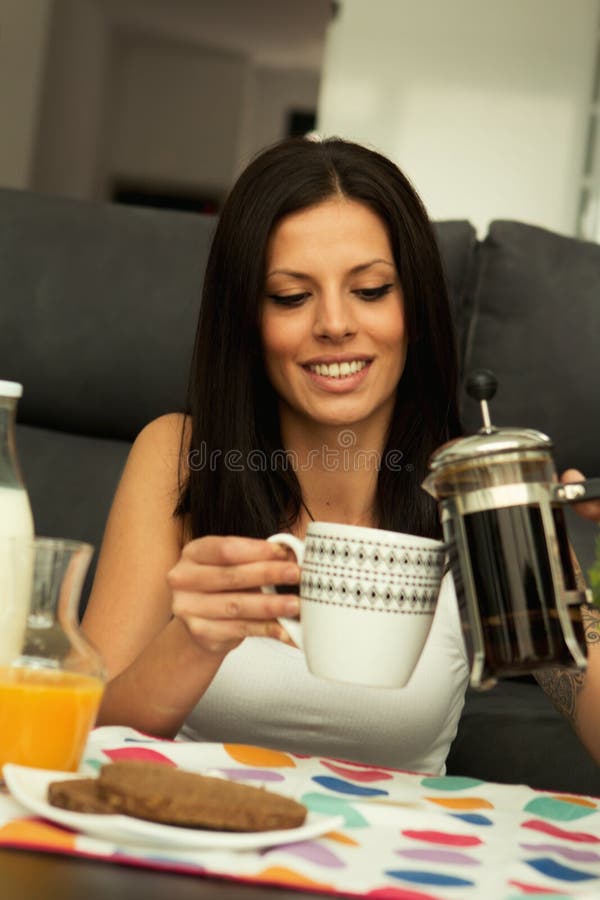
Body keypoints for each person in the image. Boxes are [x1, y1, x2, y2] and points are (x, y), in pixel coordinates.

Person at [81, 137, 600, 774]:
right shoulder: (181, 456)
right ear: (246, 316)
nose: (334, 324)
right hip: (191, 837)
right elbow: (84, 735)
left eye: (372, 290)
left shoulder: (480, 491)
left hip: (402, 864)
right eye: (292, 296)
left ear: (415, 308)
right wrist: (193, 639)